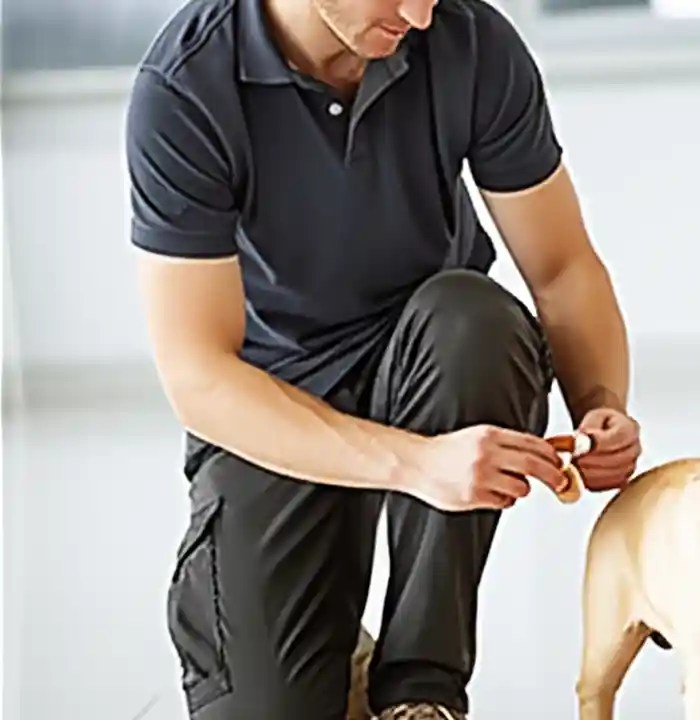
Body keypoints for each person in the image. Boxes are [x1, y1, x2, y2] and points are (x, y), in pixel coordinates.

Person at [124, 0, 640, 717]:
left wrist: (601, 401)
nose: (421, 14)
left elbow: (561, 267)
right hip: (276, 403)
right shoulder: (185, 85)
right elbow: (199, 377)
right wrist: (415, 463)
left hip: (435, 358)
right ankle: (333, 653)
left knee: (473, 322)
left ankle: (421, 694)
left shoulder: (471, 40)